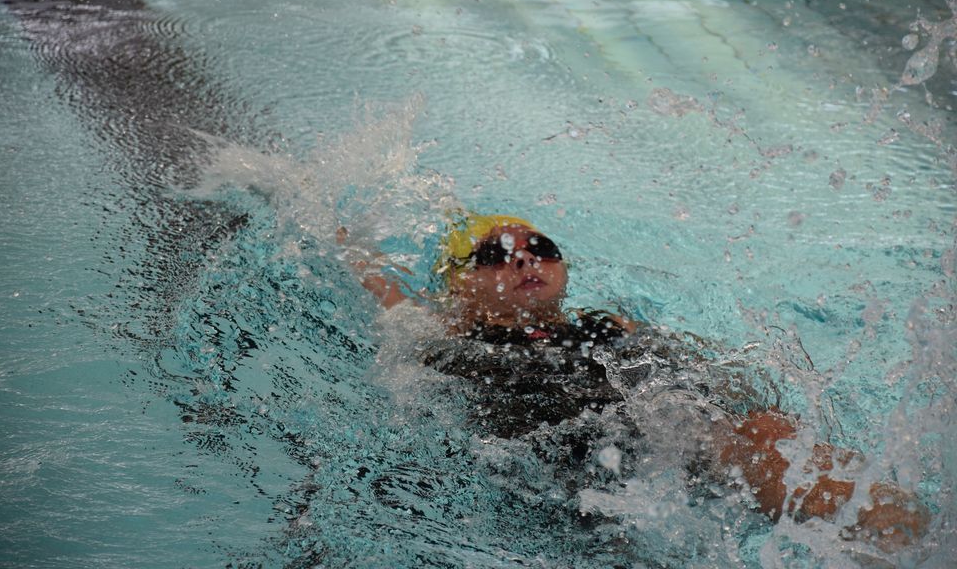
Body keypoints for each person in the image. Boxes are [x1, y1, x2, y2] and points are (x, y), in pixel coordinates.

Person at [343, 212, 929, 553]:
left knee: (768, 429)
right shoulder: (447, 333)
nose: (525, 261)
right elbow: (376, 281)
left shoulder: (612, 324)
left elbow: (709, 375)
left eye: (539, 247)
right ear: (462, 286)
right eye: (495, 254)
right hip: (557, 466)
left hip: (661, 445)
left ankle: (907, 542)